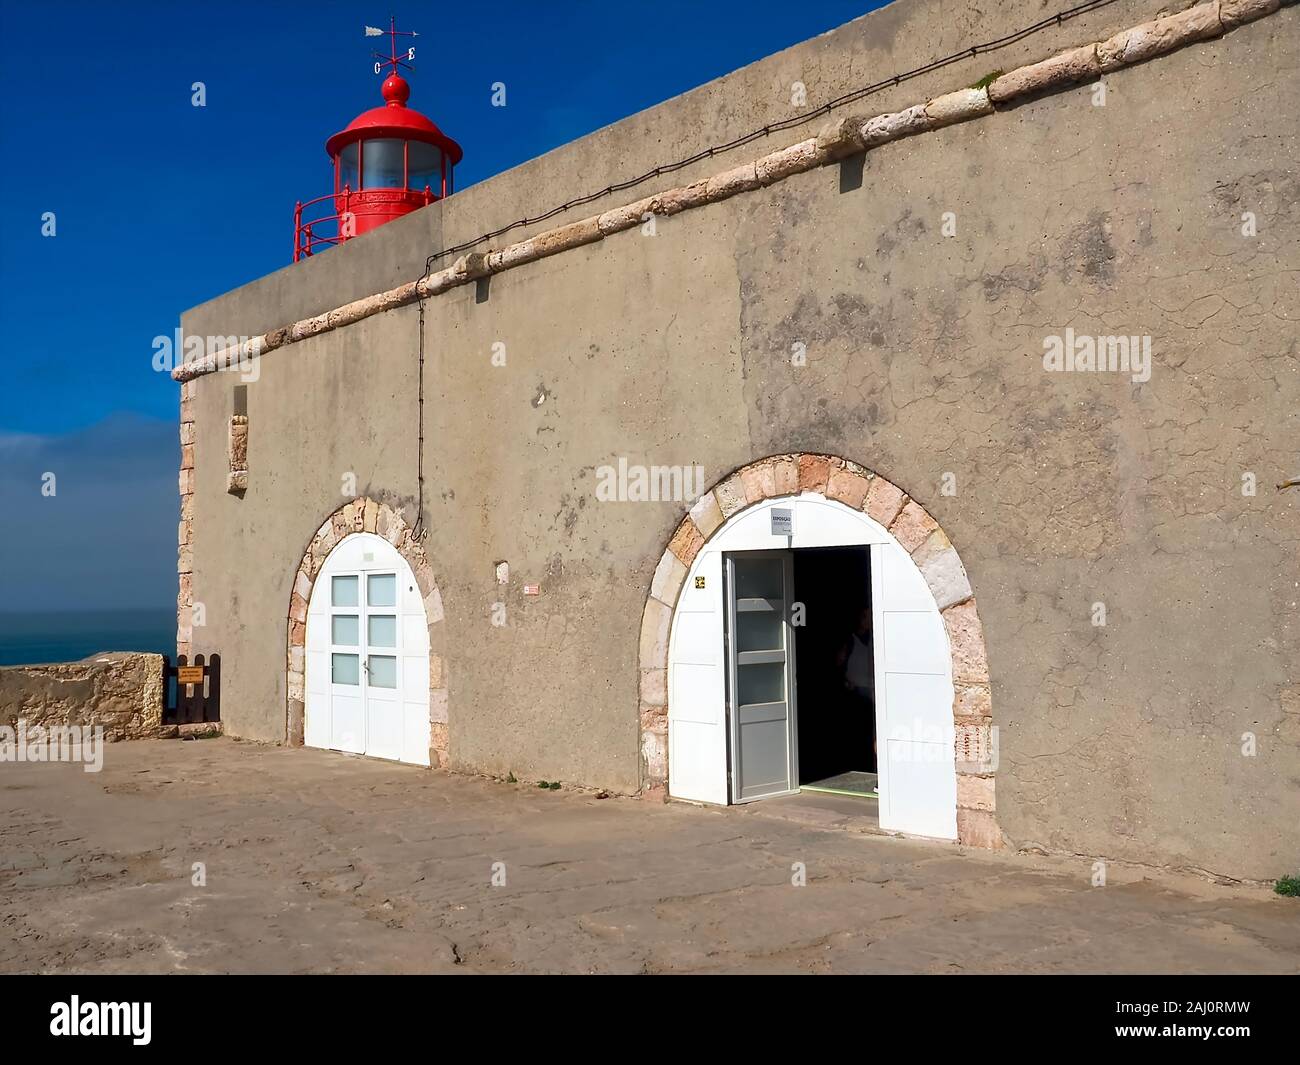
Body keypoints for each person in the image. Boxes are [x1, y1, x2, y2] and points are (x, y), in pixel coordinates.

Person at [836, 606, 878, 780]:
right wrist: (845, 682)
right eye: (867, 616)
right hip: (856, 695)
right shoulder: (850, 640)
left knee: (872, 733)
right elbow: (838, 663)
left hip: (871, 693)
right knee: (861, 734)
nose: (870, 619)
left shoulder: (873, 639)